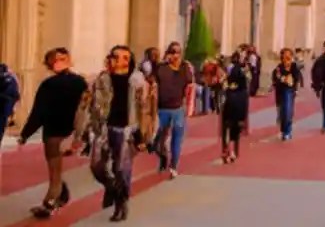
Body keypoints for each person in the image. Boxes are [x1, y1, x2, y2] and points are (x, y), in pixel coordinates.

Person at [83, 45, 152, 223]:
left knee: (122, 170)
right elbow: (89, 106)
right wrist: (85, 131)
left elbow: (146, 110)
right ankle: (112, 188)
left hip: (127, 130)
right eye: (115, 56)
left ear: (129, 61)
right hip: (104, 128)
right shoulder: (101, 80)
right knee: (97, 166)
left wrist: (143, 136)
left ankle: (121, 205)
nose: (118, 60)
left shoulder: (138, 82)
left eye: (124, 58)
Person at [19, 48, 89, 219]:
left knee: (54, 171)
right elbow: (86, 109)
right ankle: (59, 195)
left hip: (53, 133)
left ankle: (50, 202)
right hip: (71, 132)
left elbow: (39, 112)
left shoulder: (48, 85)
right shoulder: (81, 83)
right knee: (57, 171)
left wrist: (25, 134)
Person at [152, 44, 194, 178]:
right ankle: (163, 156)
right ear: (168, 53)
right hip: (162, 109)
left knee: (176, 140)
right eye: (172, 52)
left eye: (178, 53)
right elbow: (152, 83)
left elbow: (190, 86)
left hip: (178, 110)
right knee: (156, 142)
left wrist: (190, 106)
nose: (175, 55)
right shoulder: (161, 68)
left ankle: (173, 166)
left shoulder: (185, 68)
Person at [221, 52, 250, 163]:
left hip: (231, 101)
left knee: (228, 126)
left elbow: (224, 84)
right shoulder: (243, 71)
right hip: (237, 102)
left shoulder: (230, 70)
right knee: (234, 128)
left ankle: (228, 149)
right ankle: (231, 149)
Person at [271, 48, 303, 141]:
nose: (287, 58)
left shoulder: (294, 67)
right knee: (282, 112)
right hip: (281, 92)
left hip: (290, 91)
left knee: (288, 111)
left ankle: (287, 132)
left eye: (289, 56)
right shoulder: (279, 68)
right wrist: (282, 79)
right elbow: (275, 79)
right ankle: (283, 130)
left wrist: (296, 89)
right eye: (285, 56)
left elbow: (297, 79)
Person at [0, 62, 19, 146]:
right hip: (5, 108)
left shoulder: (10, 78)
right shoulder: (11, 78)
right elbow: (16, 96)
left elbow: (15, 96)